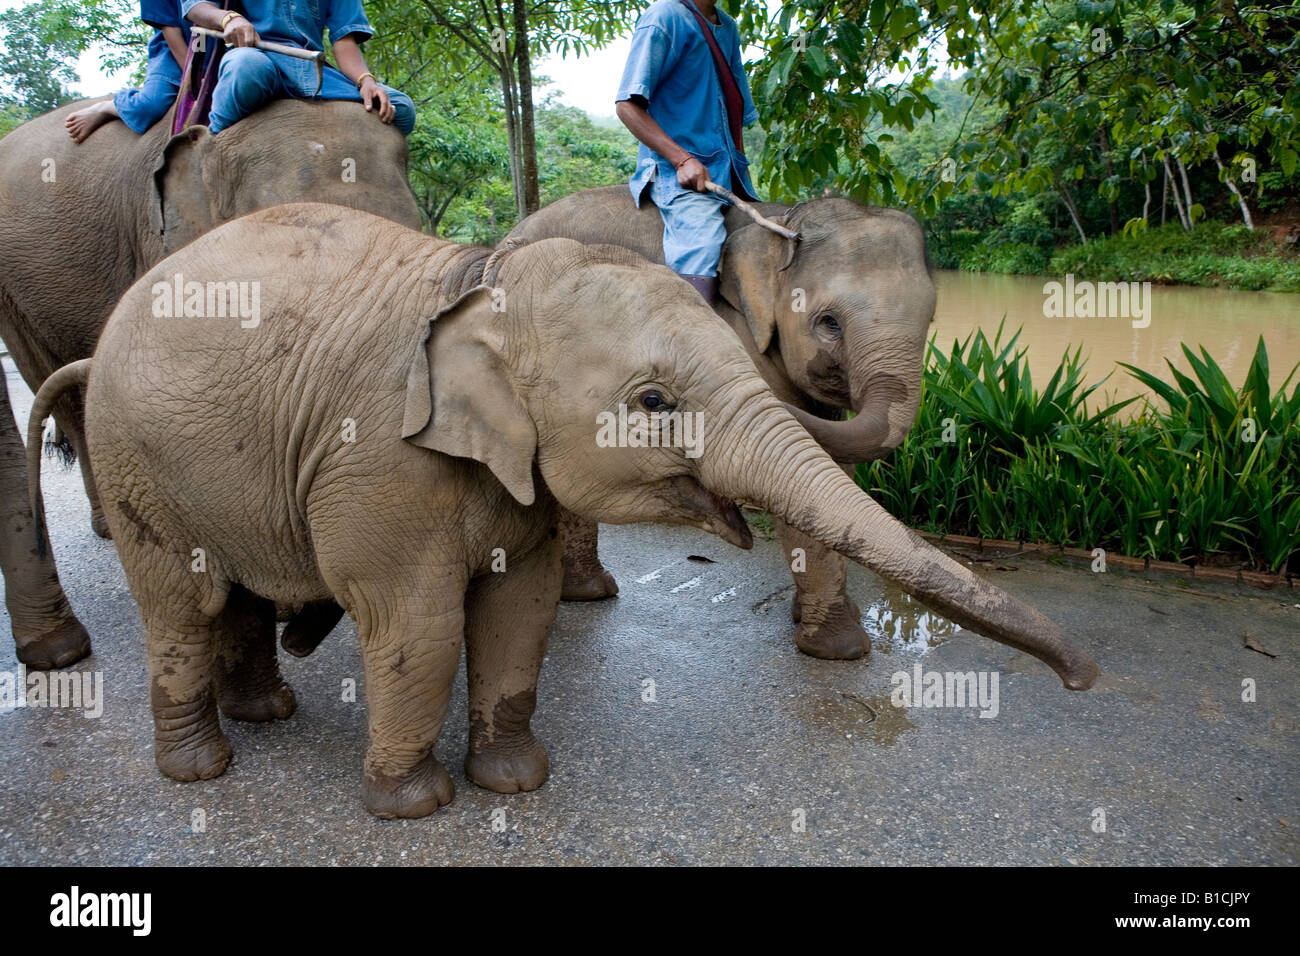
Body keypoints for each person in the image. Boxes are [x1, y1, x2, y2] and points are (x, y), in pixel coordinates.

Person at [615, 0, 758, 304]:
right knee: (703, 245)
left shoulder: (728, 27)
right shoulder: (664, 17)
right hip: (678, 174)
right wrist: (682, 159)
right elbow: (627, 106)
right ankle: (688, 336)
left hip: (726, 176)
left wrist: (740, 172)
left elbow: (735, 110)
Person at [181, 0, 415, 135]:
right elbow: (194, 6)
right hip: (257, 58)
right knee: (244, 68)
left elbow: (344, 41)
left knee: (401, 108)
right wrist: (229, 18)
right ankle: (212, 141)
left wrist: (366, 80)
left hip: (312, 70)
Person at [65, 0, 191, 142]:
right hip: (172, 54)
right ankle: (107, 108)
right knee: (150, 105)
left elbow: (203, 32)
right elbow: (170, 29)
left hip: (205, 48)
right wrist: (193, 75)